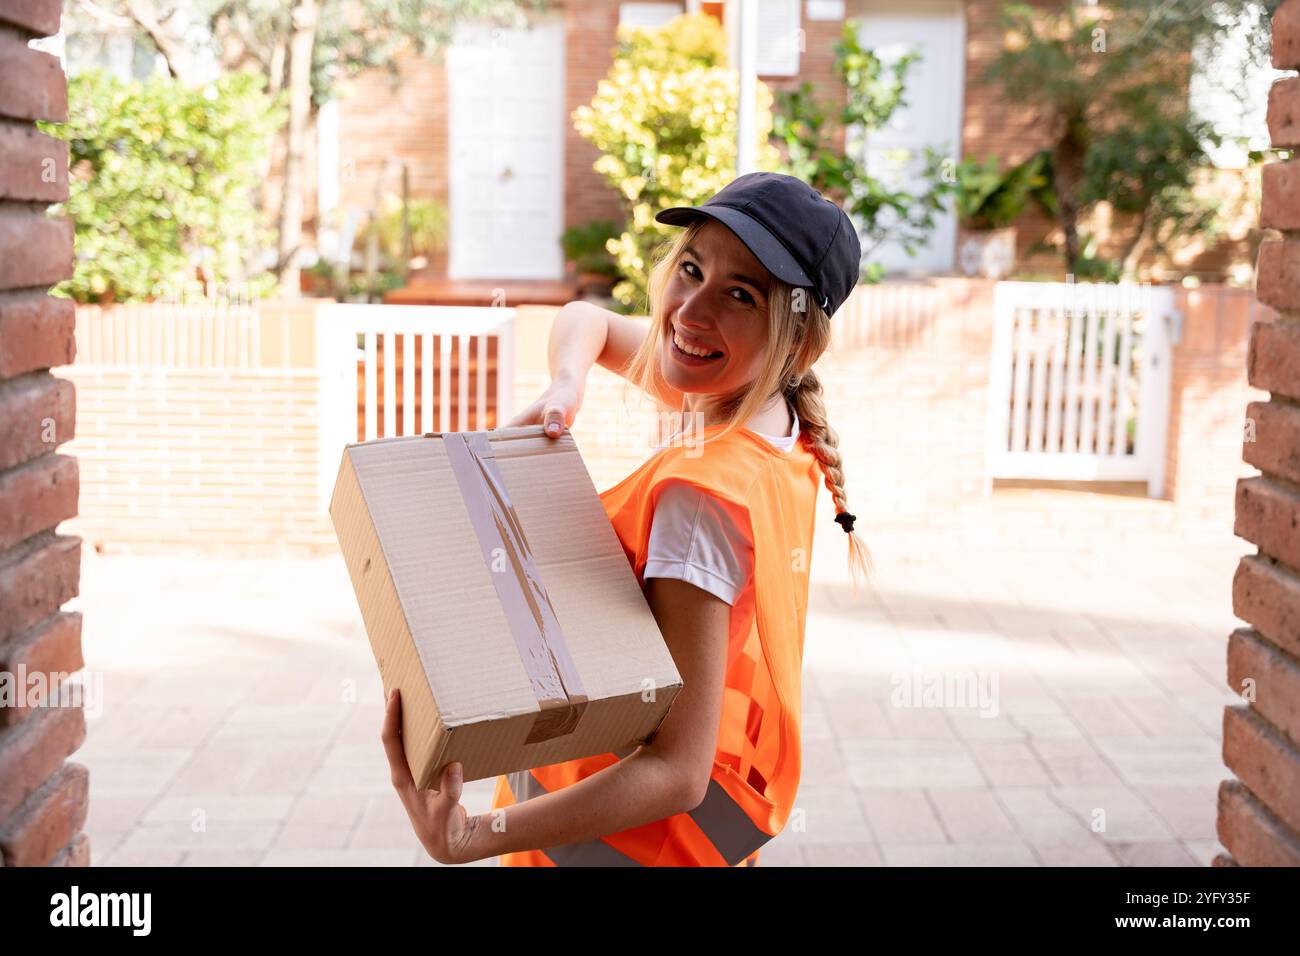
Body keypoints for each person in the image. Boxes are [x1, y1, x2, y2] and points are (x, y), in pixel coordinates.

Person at [382, 171, 873, 867]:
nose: (689, 314)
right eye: (692, 270)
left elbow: (676, 771)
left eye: (741, 295)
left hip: (619, 850)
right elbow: (589, 320)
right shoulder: (767, 420)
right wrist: (567, 383)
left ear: (799, 344)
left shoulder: (700, 497)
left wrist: (470, 837)